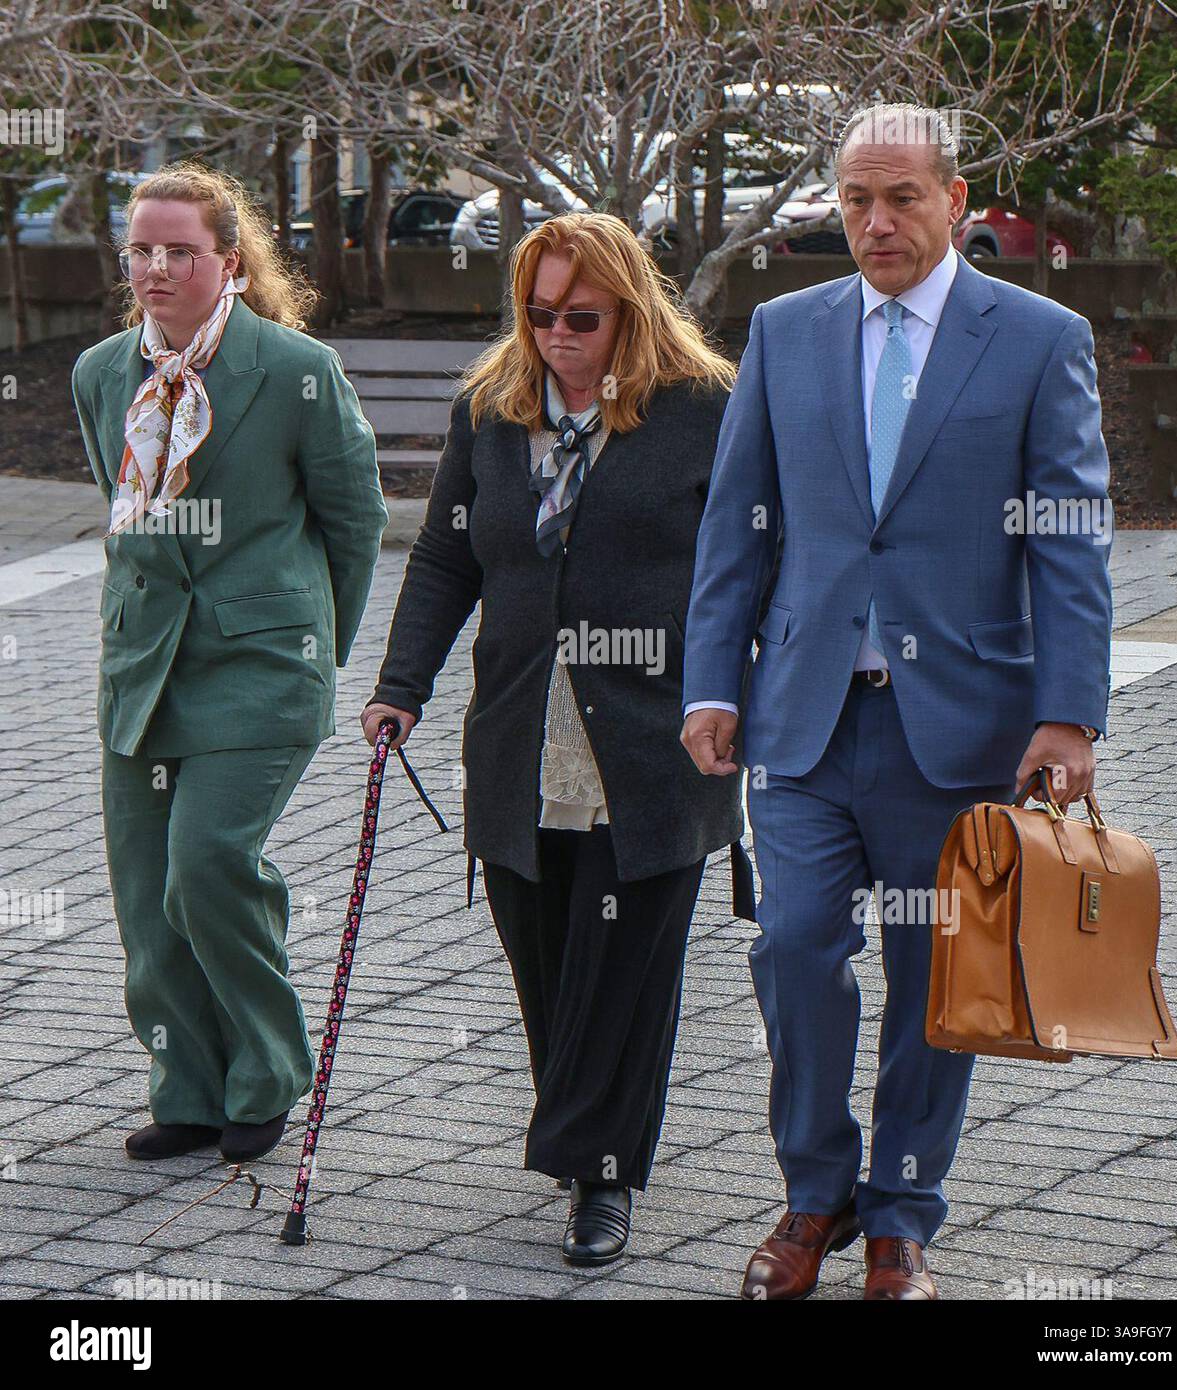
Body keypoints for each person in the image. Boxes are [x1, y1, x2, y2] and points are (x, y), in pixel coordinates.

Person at [681, 103, 1112, 1300]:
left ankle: (901, 1217)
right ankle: (815, 1192)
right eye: (855, 200)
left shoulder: (1035, 339)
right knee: (797, 943)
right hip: (806, 717)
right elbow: (734, 526)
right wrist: (712, 680)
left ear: (954, 200)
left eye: (900, 197)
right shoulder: (783, 331)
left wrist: (1070, 713)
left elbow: (1069, 538)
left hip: (961, 724)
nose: (875, 222)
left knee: (937, 978)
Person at [362, 211, 755, 1266]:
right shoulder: (492, 410)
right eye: (537, 316)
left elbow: (756, 564)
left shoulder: (704, 409)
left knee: (622, 974)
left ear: (628, 308)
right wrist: (401, 684)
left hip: (660, 742)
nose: (556, 336)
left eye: (580, 317)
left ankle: (600, 1176)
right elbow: (447, 560)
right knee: (546, 968)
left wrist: (744, 694)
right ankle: (590, 1142)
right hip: (521, 739)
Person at [71, 161, 388, 1165]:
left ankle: (266, 1070)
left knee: (205, 867)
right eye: (142, 250)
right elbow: (127, 520)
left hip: (262, 667)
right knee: (144, 897)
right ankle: (190, 1088)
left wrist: (309, 651)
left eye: (180, 251)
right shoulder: (98, 375)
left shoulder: (294, 369)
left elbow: (356, 520)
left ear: (231, 262)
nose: (157, 268)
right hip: (142, 668)